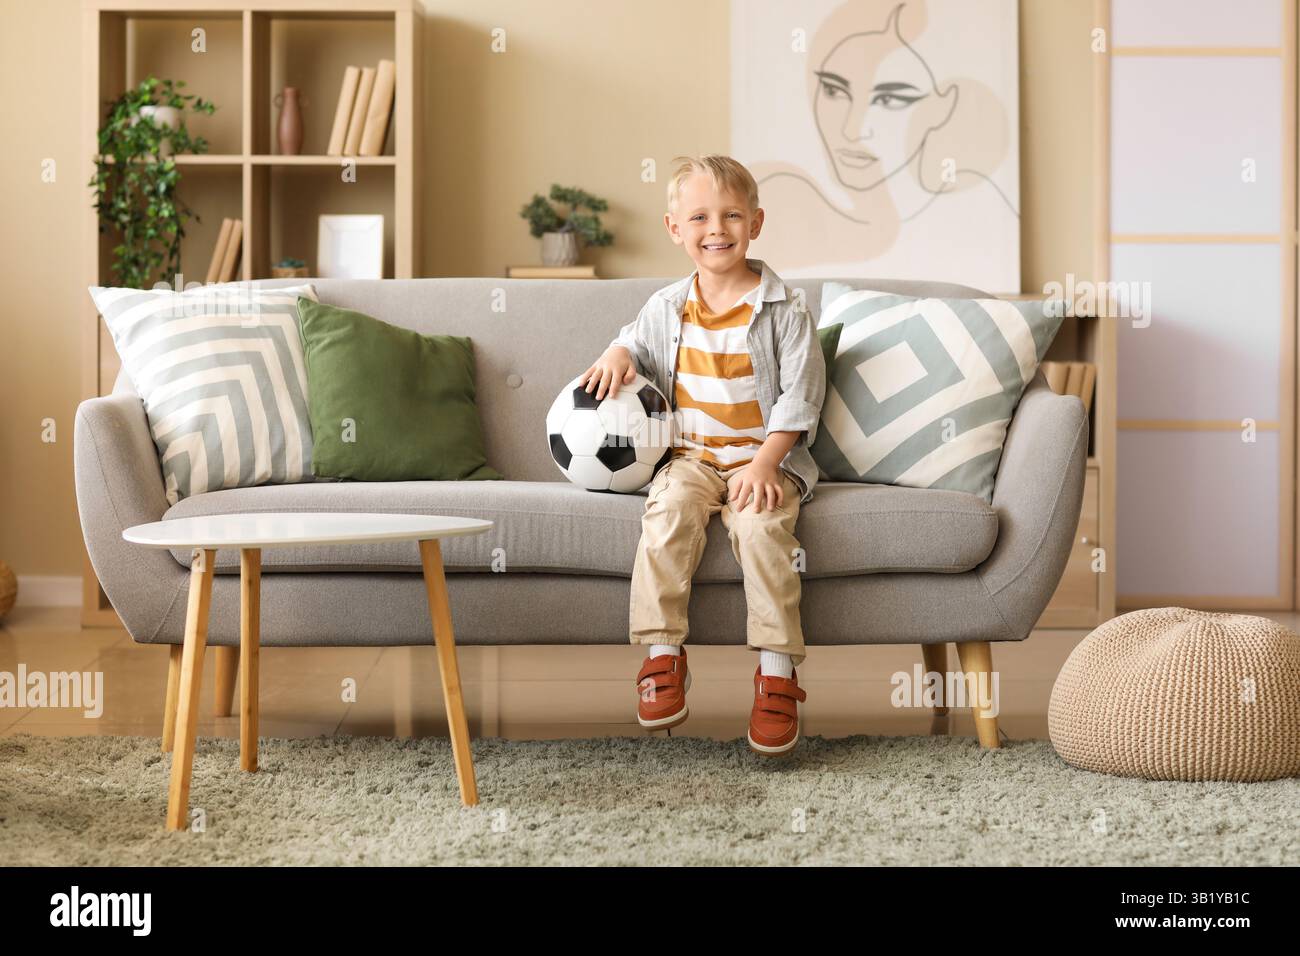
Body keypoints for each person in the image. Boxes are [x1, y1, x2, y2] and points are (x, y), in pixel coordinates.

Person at [578, 154, 827, 756]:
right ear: (675, 228)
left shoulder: (785, 310)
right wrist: (617, 354)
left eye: (732, 215)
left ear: (756, 223)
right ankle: (663, 656)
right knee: (666, 517)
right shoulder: (666, 306)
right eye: (700, 217)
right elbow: (632, 340)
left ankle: (777, 675)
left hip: (760, 461)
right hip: (690, 459)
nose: (717, 228)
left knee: (765, 532)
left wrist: (768, 463)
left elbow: (802, 395)